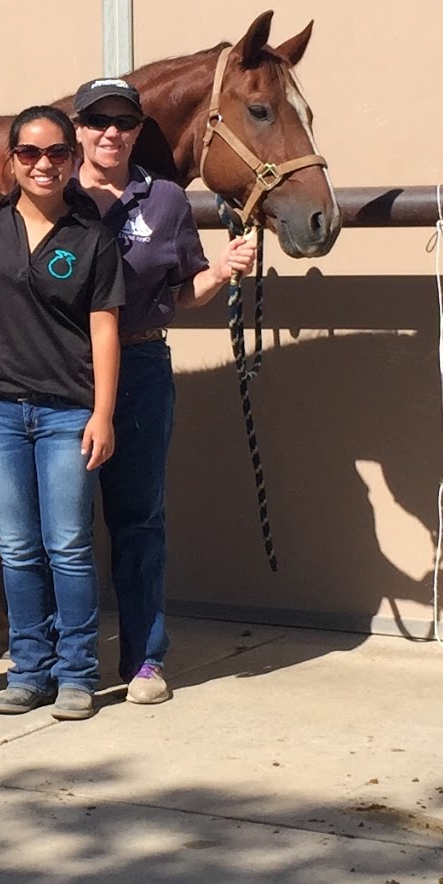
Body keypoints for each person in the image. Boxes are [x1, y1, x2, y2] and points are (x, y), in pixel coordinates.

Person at [70, 76, 258, 705]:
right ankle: (67, 662)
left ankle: (144, 659)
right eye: (98, 121)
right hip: (64, 371)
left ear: (137, 132)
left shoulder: (167, 200)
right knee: (64, 525)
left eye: (124, 122)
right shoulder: (52, 194)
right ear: (78, 129)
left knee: (139, 518)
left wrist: (222, 271)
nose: (111, 133)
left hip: (142, 365)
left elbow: (184, 291)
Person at [0, 105, 124, 720]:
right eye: (29, 153)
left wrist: (102, 413)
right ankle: (28, 671)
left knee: (69, 545)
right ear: (12, 160)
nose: (43, 164)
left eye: (57, 153)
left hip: (67, 414)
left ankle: (77, 672)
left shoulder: (92, 238)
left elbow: (105, 328)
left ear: (72, 159)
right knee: (17, 548)